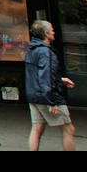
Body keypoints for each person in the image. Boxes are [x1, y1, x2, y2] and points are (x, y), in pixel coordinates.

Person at [26, 19, 76, 151]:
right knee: (68, 129)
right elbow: (45, 77)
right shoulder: (45, 52)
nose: (54, 33)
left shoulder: (31, 49)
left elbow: (37, 75)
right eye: (52, 30)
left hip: (34, 96)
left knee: (37, 128)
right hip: (47, 96)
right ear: (46, 34)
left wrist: (60, 80)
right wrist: (51, 102)